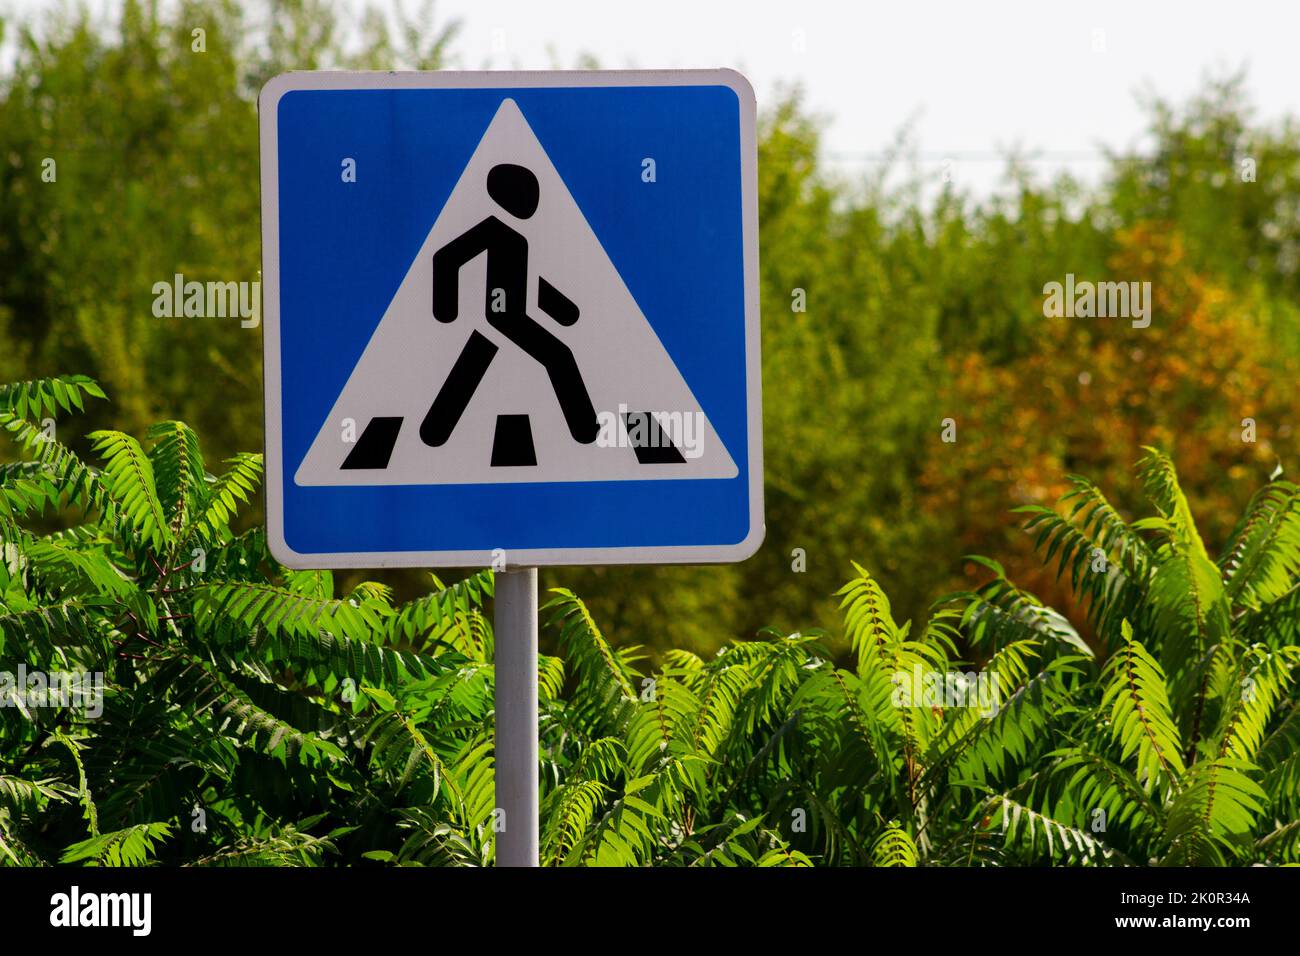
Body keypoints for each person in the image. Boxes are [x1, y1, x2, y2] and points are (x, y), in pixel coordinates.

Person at [420, 163, 598, 449]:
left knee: (472, 364)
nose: (533, 203)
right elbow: (446, 258)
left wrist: (562, 311)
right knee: (558, 356)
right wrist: (445, 309)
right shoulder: (492, 229)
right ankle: (586, 429)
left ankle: (433, 431)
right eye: (528, 194)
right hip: (503, 316)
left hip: (510, 315)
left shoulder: (517, 238)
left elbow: (527, 282)